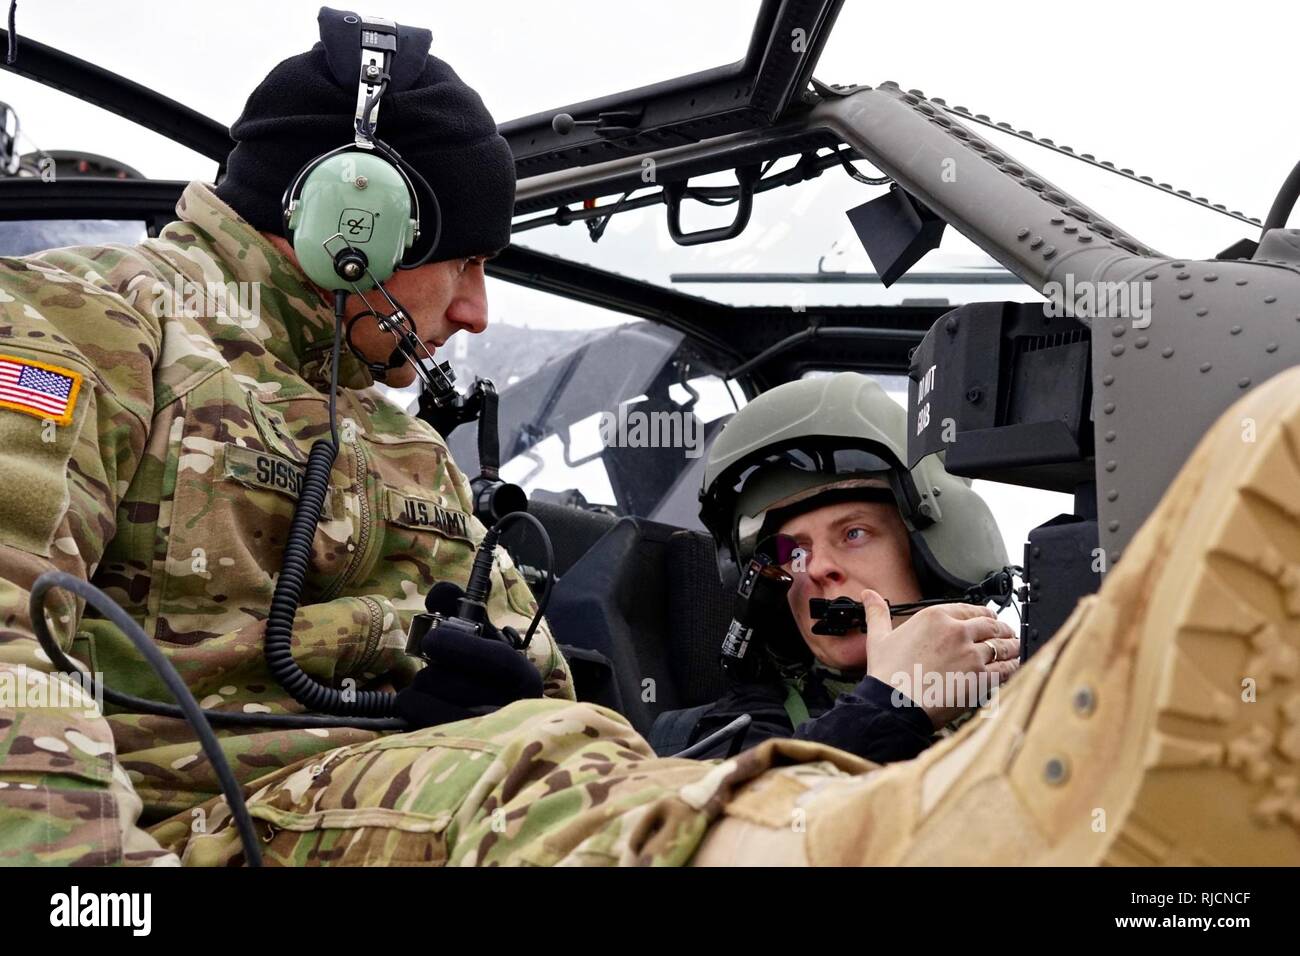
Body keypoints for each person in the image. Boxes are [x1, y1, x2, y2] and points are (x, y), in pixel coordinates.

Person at [0, 15, 573, 865]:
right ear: (359, 223)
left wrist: (497, 703)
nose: (475, 312)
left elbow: (564, 717)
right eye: (467, 261)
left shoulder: (402, 442)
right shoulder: (89, 319)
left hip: (432, 808)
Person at [651, 372, 1019, 760]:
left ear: (928, 552)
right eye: (794, 553)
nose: (817, 568)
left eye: (854, 533)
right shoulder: (742, 732)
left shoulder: (1044, 693)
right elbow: (755, 810)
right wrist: (891, 706)